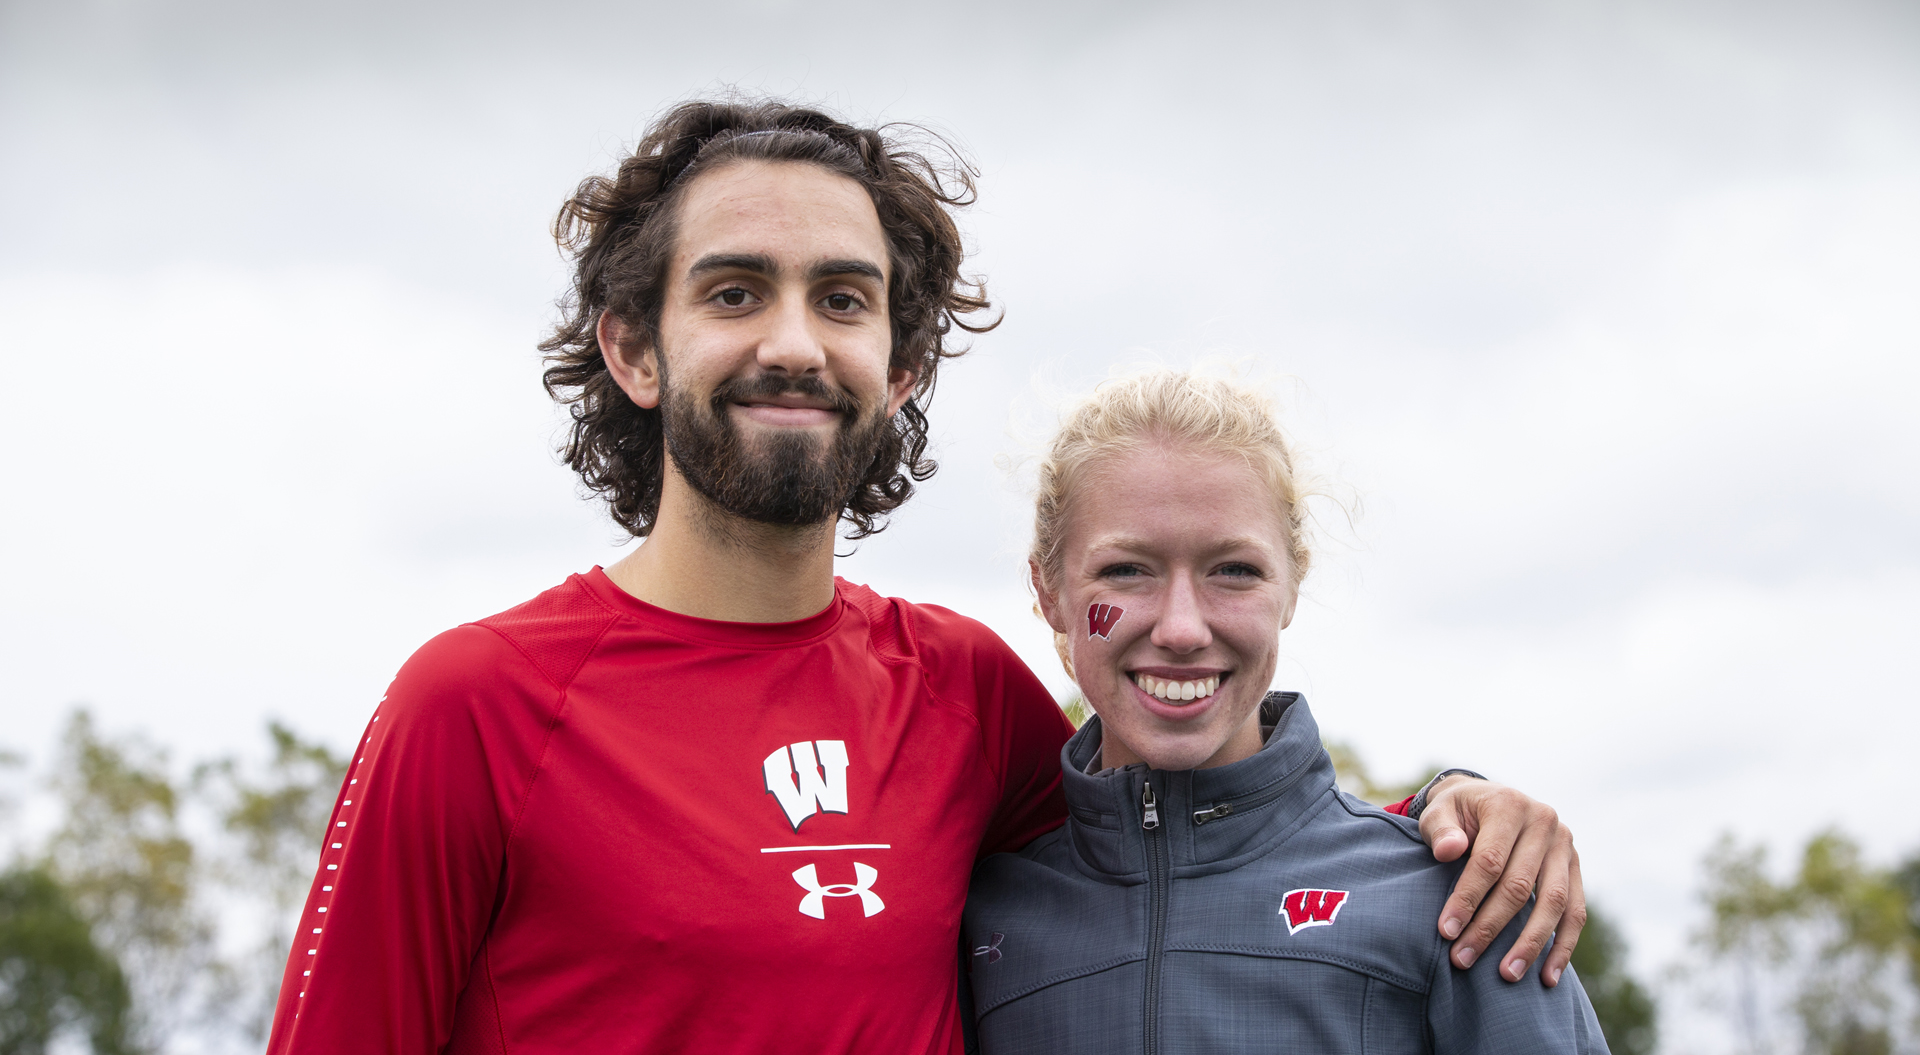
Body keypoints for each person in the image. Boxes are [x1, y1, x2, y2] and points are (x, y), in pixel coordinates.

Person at [265, 100, 1584, 1055]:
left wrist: (1449, 813)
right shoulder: (477, 705)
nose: (795, 340)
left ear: (899, 369)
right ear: (632, 350)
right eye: (734, 292)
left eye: (844, 299)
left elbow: (1196, 827)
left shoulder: (962, 693)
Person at [963, 368, 1606, 1052]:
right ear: (1048, 589)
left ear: (1293, 584)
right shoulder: (976, 921)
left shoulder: (1465, 896)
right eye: (1126, 569)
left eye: (1234, 570)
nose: (1182, 628)